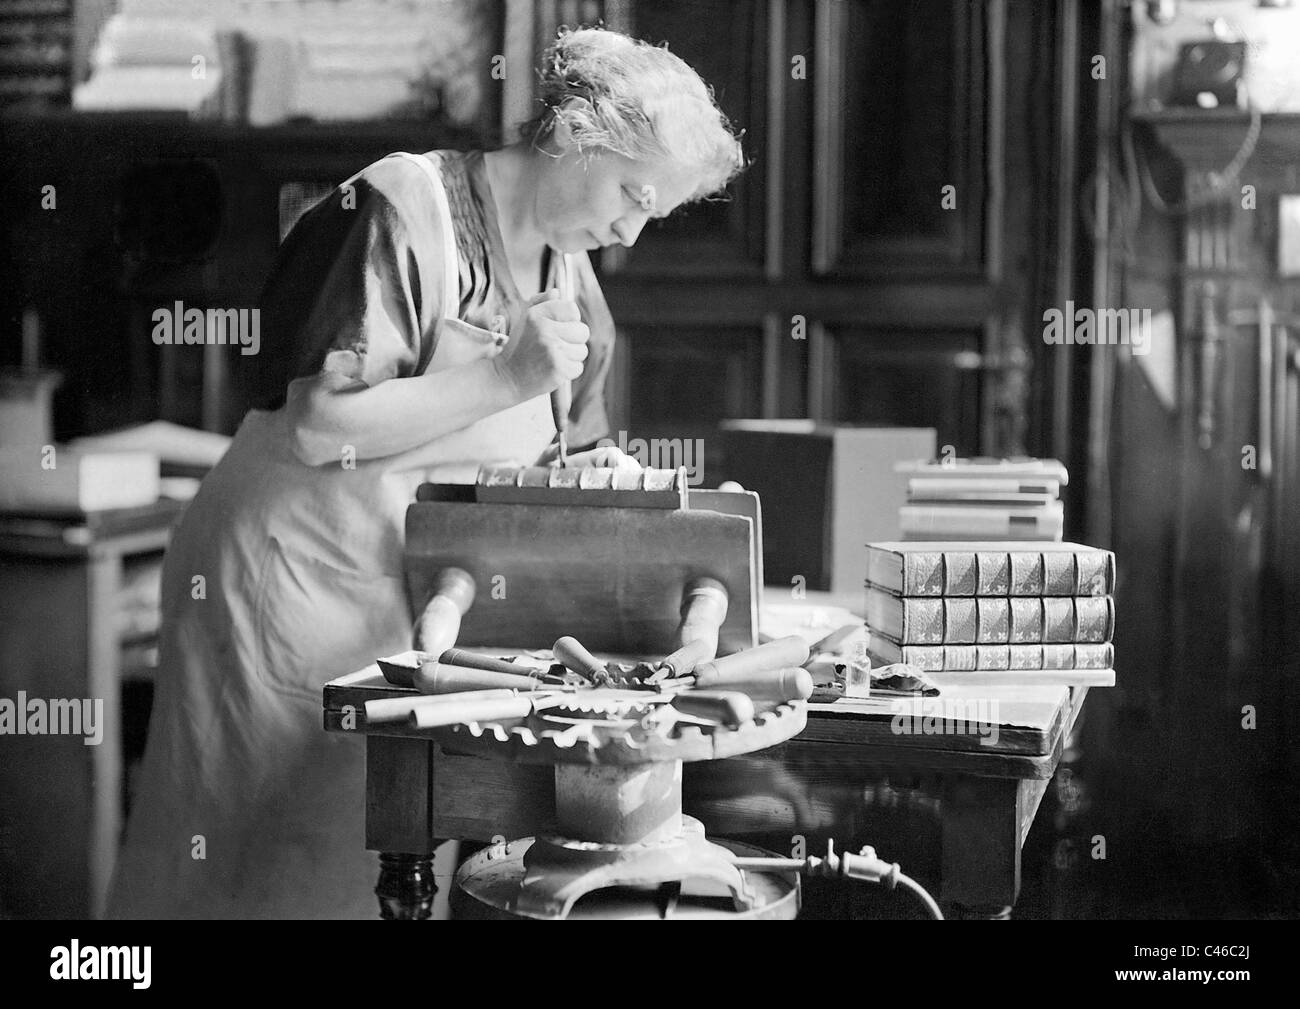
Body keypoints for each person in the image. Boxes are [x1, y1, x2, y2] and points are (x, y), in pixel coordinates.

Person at [108, 26, 745, 919]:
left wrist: (577, 470)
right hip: (278, 577)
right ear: (572, 135)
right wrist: (502, 377)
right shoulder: (404, 207)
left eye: (656, 214)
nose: (632, 230)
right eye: (633, 194)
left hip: (392, 593)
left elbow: (533, 453)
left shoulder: (576, 283)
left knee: (356, 852)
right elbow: (321, 424)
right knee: (239, 850)